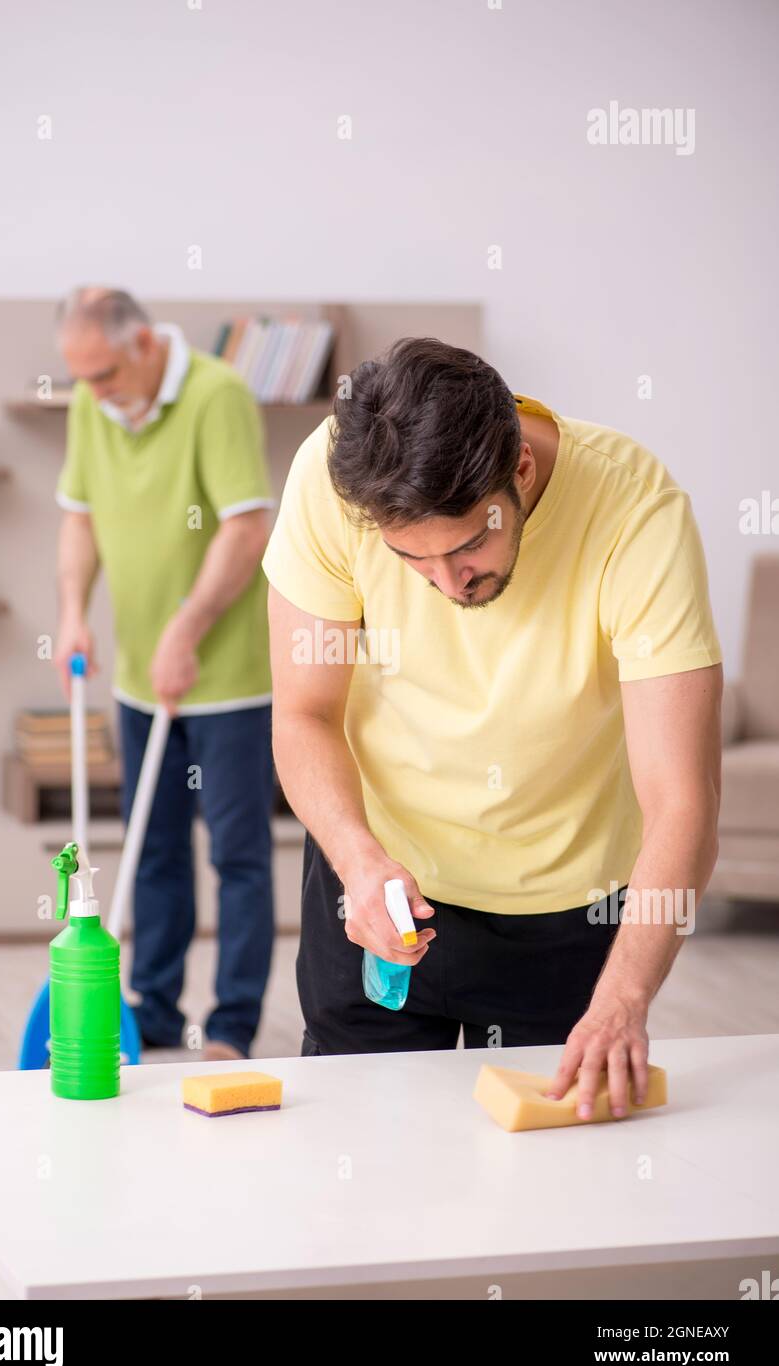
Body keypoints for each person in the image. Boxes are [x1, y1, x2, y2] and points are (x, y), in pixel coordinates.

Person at [262, 337, 722, 1119]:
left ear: (521, 471)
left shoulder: (635, 511)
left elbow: (682, 799)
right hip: (378, 889)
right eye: (412, 560)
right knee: (360, 1170)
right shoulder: (334, 478)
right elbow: (304, 713)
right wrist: (358, 862)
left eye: (470, 543)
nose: (447, 583)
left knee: (554, 1194)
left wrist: (622, 999)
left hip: (563, 909)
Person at [53, 287, 275, 1061]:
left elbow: (247, 526)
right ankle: (150, 1011)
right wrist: (73, 611)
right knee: (151, 847)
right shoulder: (93, 402)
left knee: (237, 854)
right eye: (80, 376)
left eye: (106, 372)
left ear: (145, 343)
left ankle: (231, 1027)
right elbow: (78, 514)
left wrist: (186, 630)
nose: (93, 390)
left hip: (228, 683)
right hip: (140, 681)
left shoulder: (217, 396)